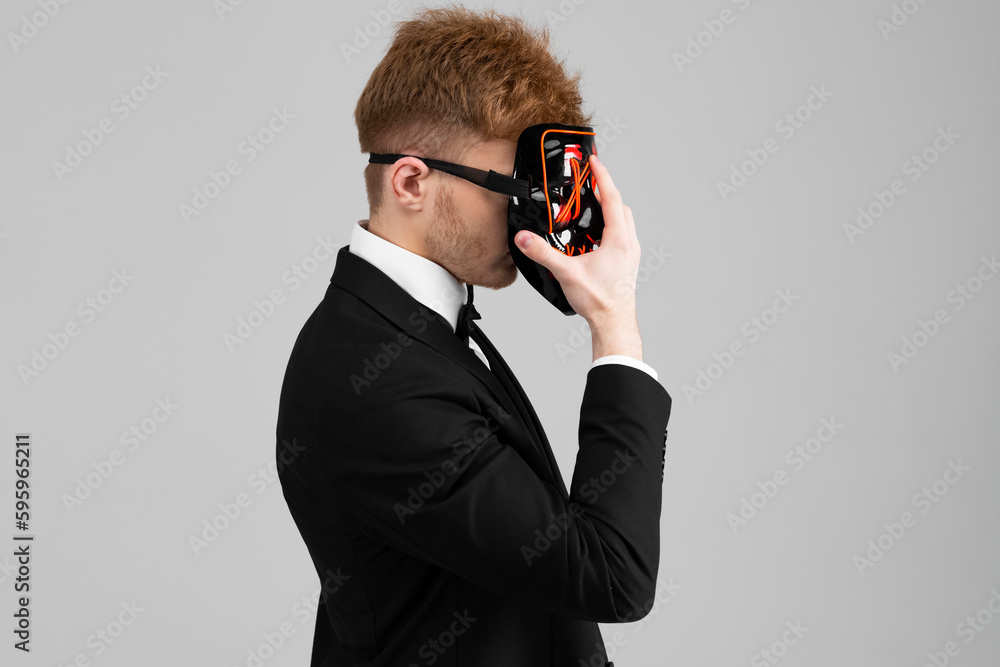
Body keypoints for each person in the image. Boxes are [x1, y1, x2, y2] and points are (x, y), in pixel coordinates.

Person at [275, 6, 672, 665]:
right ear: (410, 182)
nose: (535, 216)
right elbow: (608, 572)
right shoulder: (377, 381)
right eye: (513, 189)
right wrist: (615, 326)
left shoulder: (414, 329)